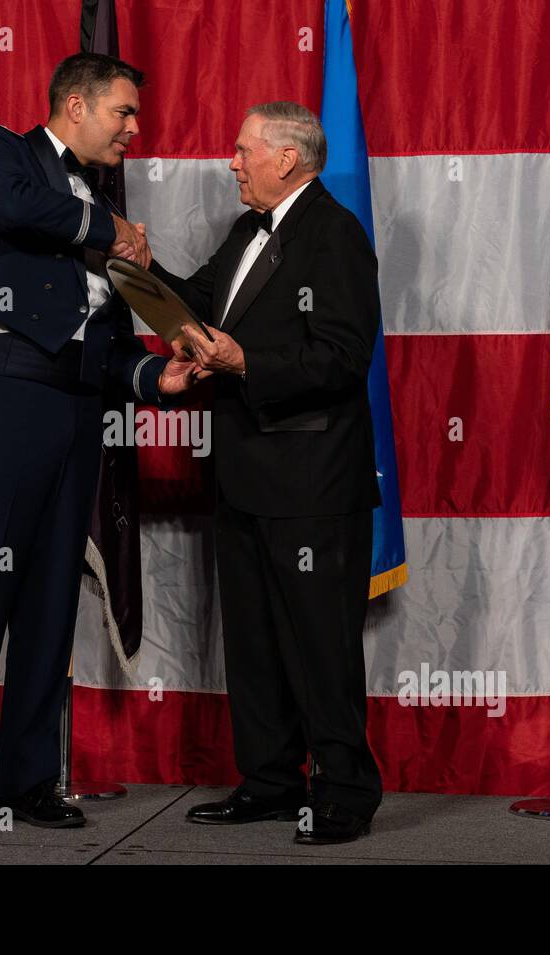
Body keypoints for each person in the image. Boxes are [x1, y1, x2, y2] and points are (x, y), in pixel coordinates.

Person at [0, 53, 199, 841]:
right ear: (75, 104)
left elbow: (106, 351)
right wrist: (115, 232)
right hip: (6, 394)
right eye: (124, 113)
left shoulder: (101, 208)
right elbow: (13, 206)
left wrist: (154, 378)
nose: (135, 129)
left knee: (48, 599)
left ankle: (31, 778)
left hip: (76, 407)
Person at [149, 102, 384, 845]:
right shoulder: (247, 231)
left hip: (314, 482)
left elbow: (343, 358)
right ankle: (272, 781)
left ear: (286, 158)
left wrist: (245, 361)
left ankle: (345, 792)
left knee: (320, 645)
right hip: (246, 472)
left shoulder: (335, 235)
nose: (232, 161)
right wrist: (133, 264)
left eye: (244, 148)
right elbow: (194, 305)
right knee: (250, 641)